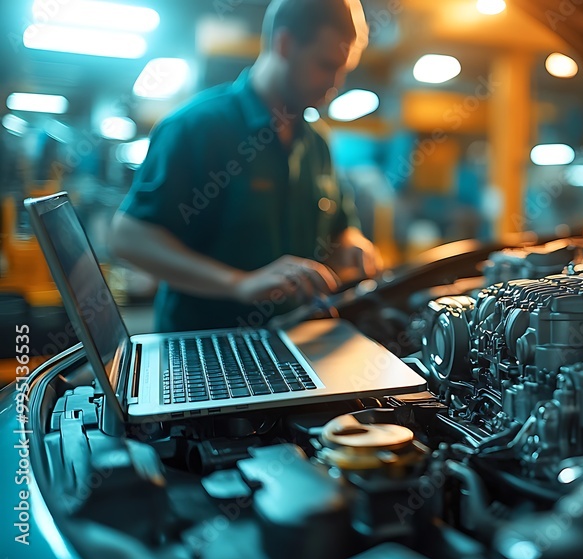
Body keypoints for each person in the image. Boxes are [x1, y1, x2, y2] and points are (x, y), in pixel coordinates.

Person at [109, 0, 381, 332]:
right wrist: (238, 283)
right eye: (326, 65)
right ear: (284, 44)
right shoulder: (196, 128)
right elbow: (129, 237)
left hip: (296, 345)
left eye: (344, 70)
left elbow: (341, 227)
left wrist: (353, 244)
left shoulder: (317, 143)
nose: (336, 83)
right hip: (203, 349)